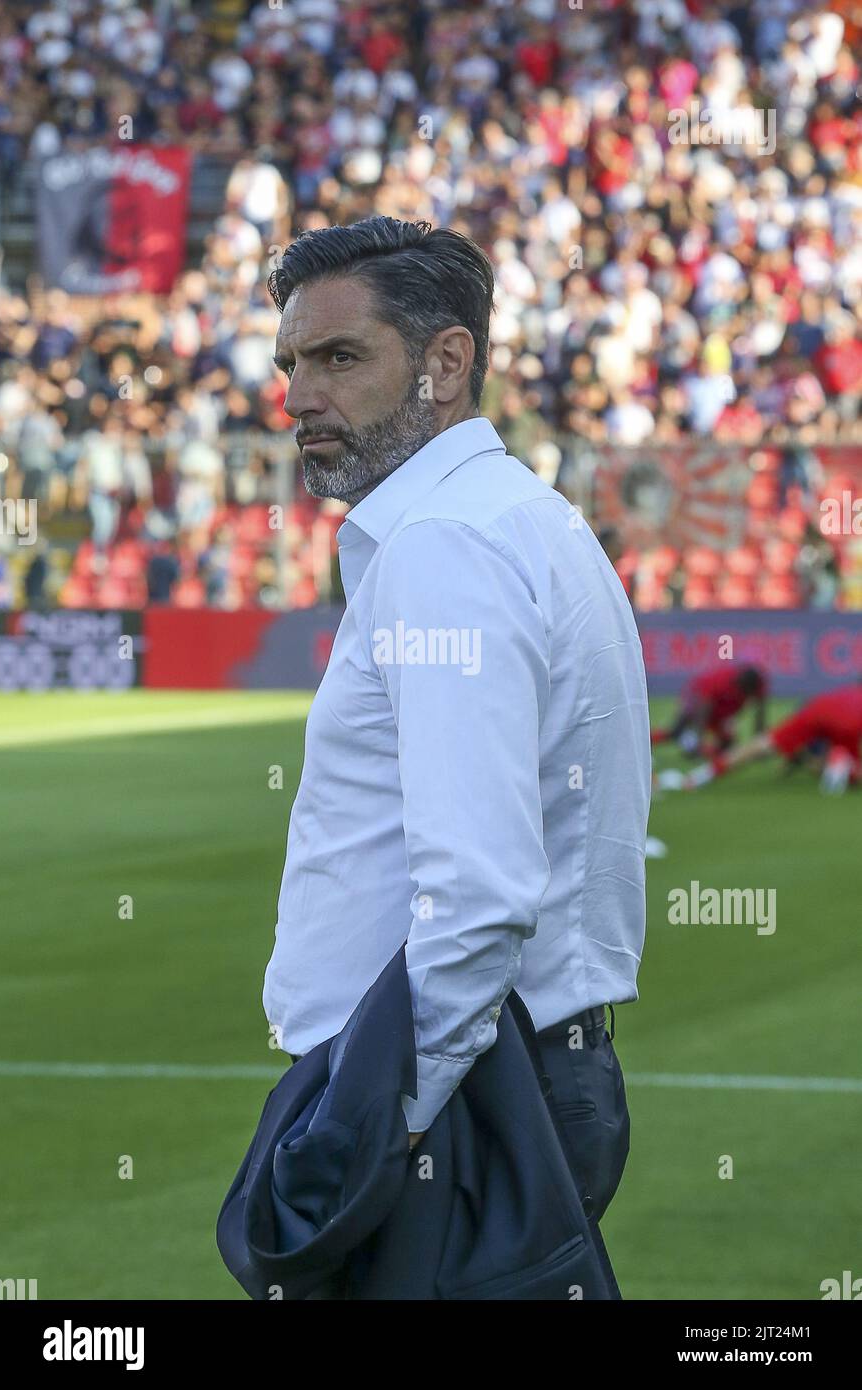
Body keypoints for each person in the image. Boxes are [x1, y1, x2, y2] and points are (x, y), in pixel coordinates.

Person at [261, 216, 651, 1296]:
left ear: (445, 362)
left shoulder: (445, 545)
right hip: (508, 1070)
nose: (298, 395)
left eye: (339, 357)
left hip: (458, 1093)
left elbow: (476, 894)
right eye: (290, 361)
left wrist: (368, 1125)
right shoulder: (524, 519)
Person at [659, 681, 862, 795]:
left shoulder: (847, 691)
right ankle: (841, 766)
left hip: (817, 709)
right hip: (851, 722)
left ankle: (699, 777)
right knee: (852, 766)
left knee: (760, 745)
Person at [651, 664, 768, 756]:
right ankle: (648, 740)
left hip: (721, 711)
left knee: (728, 743)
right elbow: (703, 710)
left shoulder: (757, 687)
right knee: (676, 731)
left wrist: (759, 741)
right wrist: (698, 736)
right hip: (696, 699)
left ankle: (703, 752)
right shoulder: (721, 681)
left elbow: (760, 713)